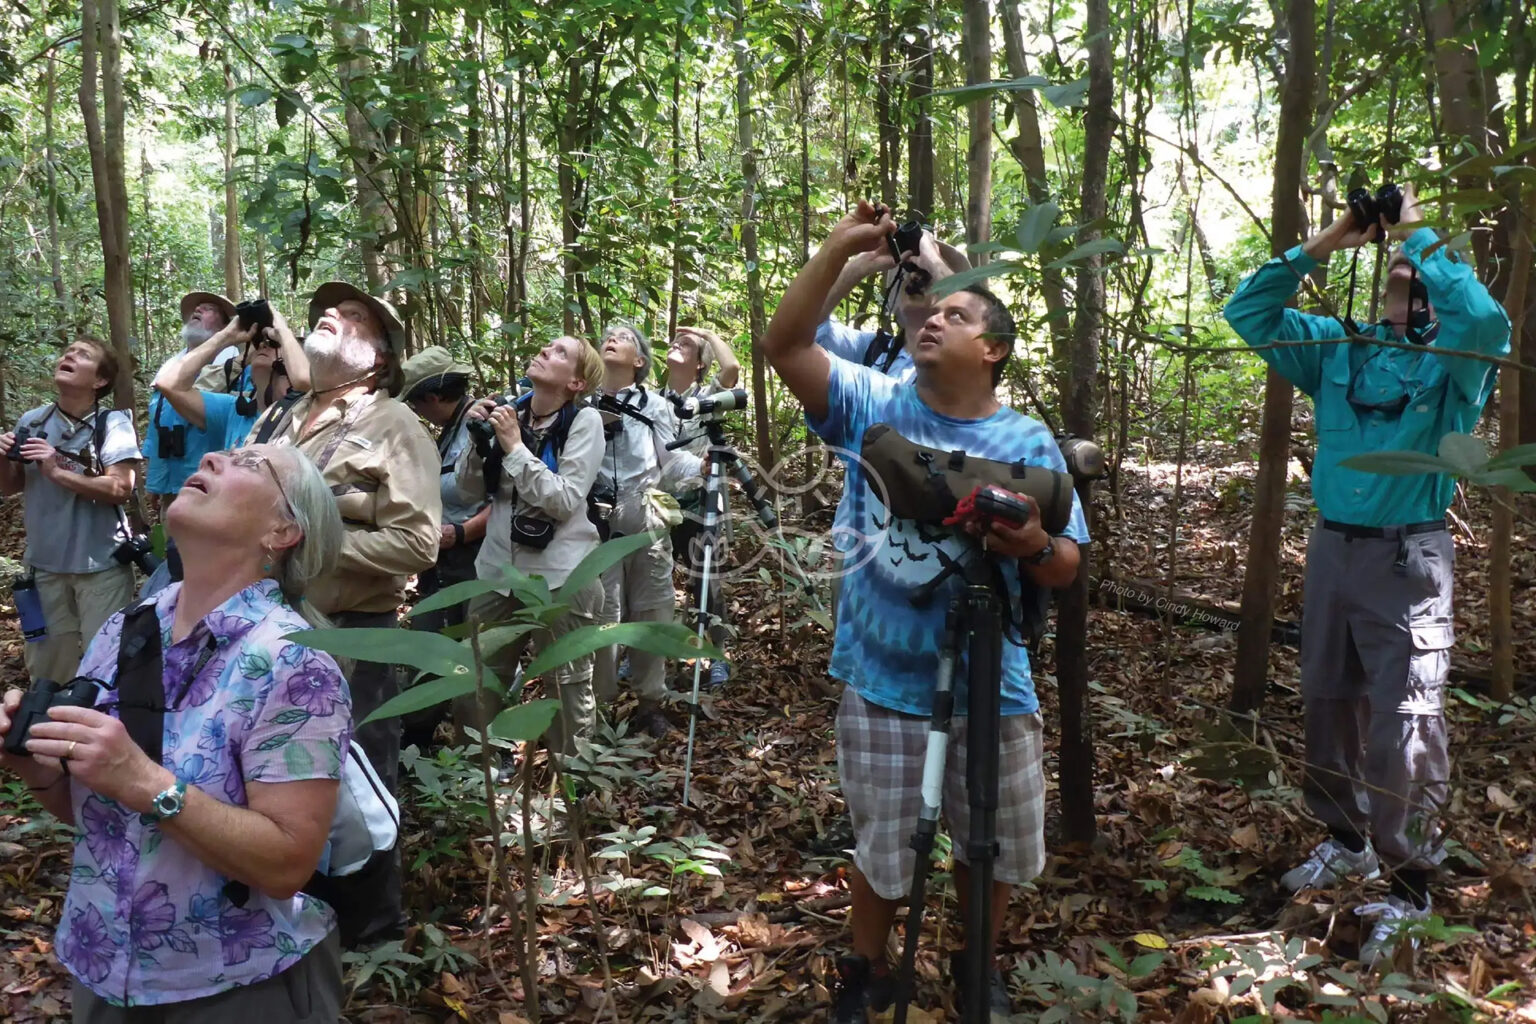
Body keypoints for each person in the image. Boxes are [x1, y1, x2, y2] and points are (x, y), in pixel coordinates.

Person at [763, 202, 1089, 1021]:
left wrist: (1029, 545)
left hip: (995, 678)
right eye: (927, 309)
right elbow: (784, 346)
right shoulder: (874, 403)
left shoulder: (1029, 441)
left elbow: (1067, 563)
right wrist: (841, 248)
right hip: (882, 673)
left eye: (956, 311)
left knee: (996, 841)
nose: (933, 316)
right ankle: (865, 972)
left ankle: (976, 967)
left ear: (995, 349)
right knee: (883, 845)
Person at [1224, 183, 1511, 965]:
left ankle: (1412, 884)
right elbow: (1247, 314)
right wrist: (1328, 241)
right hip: (1333, 550)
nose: (1403, 291)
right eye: (1396, 278)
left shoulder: (1457, 365)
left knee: (1405, 723)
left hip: (1405, 556)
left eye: (1415, 283)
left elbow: (1485, 321)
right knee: (1326, 699)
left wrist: (1419, 236)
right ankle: (1347, 838)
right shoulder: (1340, 350)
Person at [0, 444, 351, 1021]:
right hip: (104, 968)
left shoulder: (295, 663)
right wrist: (38, 772)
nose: (214, 456)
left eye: (251, 464)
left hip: (233, 983)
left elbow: (287, 866)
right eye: (223, 453)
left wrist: (142, 780)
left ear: (283, 531)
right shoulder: (127, 627)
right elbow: (111, 825)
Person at [246, 281, 441, 943]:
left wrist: (311, 545)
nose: (333, 316)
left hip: (351, 636)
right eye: (327, 312)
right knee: (271, 772)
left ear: (379, 359)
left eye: (355, 317)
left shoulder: (395, 424)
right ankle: (290, 917)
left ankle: (373, 932)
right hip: (261, 630)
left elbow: (417, 540)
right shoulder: (276, 417)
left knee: (356, 779)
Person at [452, 335, 608, 752]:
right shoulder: (511, 414)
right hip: (497, 572)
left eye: (560, 353)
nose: (544, 351)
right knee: (477, 676)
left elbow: (565, 499)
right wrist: (477, 441)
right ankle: (479, 773)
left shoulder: (583, 422)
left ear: (576, 382)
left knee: (567, 683)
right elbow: (468, 493)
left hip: (561, 576)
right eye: (546, 346)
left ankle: (572, 788)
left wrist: (514, 447)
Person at [814, 231, 970, 613]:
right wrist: (860, 265)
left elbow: (985, 320)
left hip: (939, 553)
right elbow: (804, 329)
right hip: (859, 549)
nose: (915, 273)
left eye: (928, 272)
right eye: (907, 271)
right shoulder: (872, 351)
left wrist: (933, 257)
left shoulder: (968, 360)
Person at [0, 337, 141, 686]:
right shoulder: (33, 421)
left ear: (99, 381)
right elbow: (9, 486)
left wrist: (56, 472)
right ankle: (44, 731)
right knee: (47, 668)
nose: (69, 356)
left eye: (83, 355)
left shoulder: (113, 425)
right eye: (68, 352)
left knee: (105, 665)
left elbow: (121, 488)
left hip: (101, 566)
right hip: (45, 566)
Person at [591, 322, 701, 738]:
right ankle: (597, 707)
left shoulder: (655, 405)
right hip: (595, 523)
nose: (611, 339)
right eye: (607, 335)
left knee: (653, 607)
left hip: (647, 515)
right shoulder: (582, 401)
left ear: (639, 361)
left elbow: (672, 462)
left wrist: (704, 469)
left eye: (624, 338)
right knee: (603, 615)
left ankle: (650, 702)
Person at [661, 326, 742, 689]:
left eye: (688, 345)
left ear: (699, 364)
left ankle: (717, 653)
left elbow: (732, 370)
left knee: (705, 581)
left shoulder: (707, 396)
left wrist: (706, 333)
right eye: (676, 341)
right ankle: (646, 654)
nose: (678, 343)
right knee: (652, 581)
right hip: (658, 504)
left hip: (700, 501)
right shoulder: (652, 399)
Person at [152, 302, 312, 452]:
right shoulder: (234, 412)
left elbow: (305, 381)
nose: (263, 345)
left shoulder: (306, 412)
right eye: (263, 343)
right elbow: (168, 384)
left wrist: (283, 332)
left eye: (274, 345)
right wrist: (226, 335)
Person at [142, 293, 241, 519]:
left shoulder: (232, 364)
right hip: (172, 480)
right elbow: (157, 424)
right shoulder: (170, 366)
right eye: (196, 309)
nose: (197, 311)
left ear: (225, 326)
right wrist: (155, 481)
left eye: (208, 309)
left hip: (212, 483)